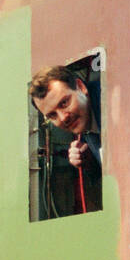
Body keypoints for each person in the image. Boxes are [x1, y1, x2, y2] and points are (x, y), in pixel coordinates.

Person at [30, 65, 102, 214]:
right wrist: (90, 163)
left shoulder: (110, 101)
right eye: (52, 116)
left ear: (81, 87)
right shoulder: (87, 125)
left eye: (64, 103)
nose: (63, 118)